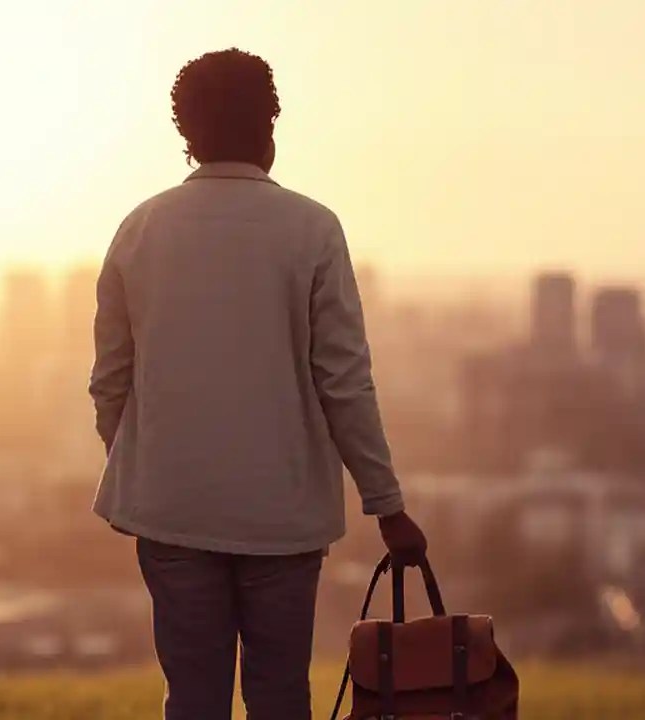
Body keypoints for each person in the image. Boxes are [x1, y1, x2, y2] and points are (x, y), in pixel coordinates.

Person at [89, 47, 427, 720]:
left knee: (192, 697)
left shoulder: (140, 229)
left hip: (173, 508)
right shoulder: (312, 229)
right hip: (283, 518)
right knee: (278, 695)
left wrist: (147, 469)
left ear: (187, 136)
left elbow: (110, 384)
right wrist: (387, 505)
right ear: (271, 126)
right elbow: (344, 383)